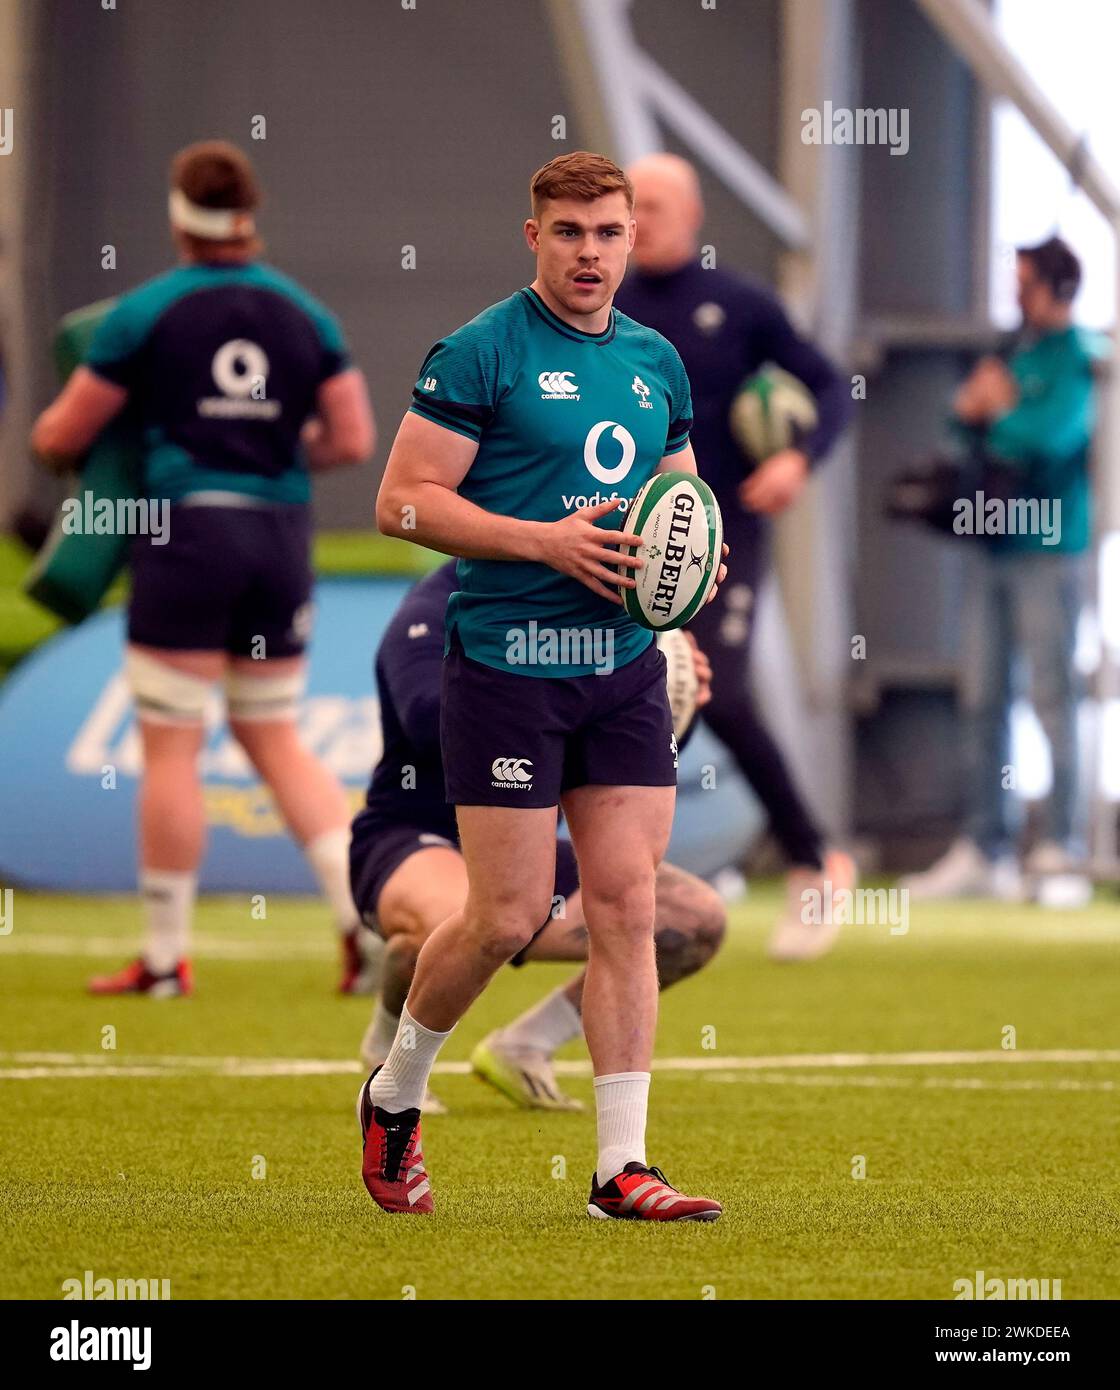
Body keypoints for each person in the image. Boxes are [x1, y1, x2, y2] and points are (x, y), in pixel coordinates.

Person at [365, 150, 728, 1221]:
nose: (590, 252)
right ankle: (395, 1094)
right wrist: (543, 543)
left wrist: (696, 564)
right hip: (509, 668)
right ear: (535, 237)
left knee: (624, 903)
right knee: (507, 914)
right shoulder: (480, 352)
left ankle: (621, 1167)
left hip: (618, 671)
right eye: (568, 233)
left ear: (629, 240)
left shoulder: (656, 359)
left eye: (608, 233)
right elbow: (402, 503)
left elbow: (681, 495)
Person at [30, 140, 379, 996]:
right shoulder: (306, 313)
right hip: (278, 538)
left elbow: (56, 438)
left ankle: (162, 959)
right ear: (250, 215)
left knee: (173, 747)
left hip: (185, 535)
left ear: (180, 215)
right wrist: (262, 439)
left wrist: (142, 436)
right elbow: (353, 439)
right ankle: (362, 926)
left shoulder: (143, 312)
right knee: (275, 736)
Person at [350, 559, 726, 1114]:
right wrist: (541, 691)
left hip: (523, 845)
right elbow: (427, 720)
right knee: (462, 915)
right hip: (412, 835)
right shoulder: (434, 607)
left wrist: (666, 705)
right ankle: (390, 1048)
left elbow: (613, 762)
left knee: (690, 917)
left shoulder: (593, 610)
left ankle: (525, 1045)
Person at [614, 153, 855, 961]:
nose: (639, 220)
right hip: (616, 532)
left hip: (716, 533)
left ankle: (812, 862)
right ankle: (588, 881)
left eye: (652, 205)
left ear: (693, 214)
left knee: (717, 684)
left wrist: (797, 460)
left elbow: (828, 386)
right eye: (629, 205)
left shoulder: (740, 304)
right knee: (608, 689)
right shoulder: (601, 308)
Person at [902, 236, 1097, 901]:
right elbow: (957, 427)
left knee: (1053, 694)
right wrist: (976, 412)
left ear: (1055, 287)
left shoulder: (1080, 358)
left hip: (1050, 548)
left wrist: (997, 411)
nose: (1015, 294)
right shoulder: (1012, 350)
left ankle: (1059, 849)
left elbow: (1051, 438)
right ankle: (986, 847)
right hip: (992, 548)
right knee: (981, 697)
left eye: (1025, 282)